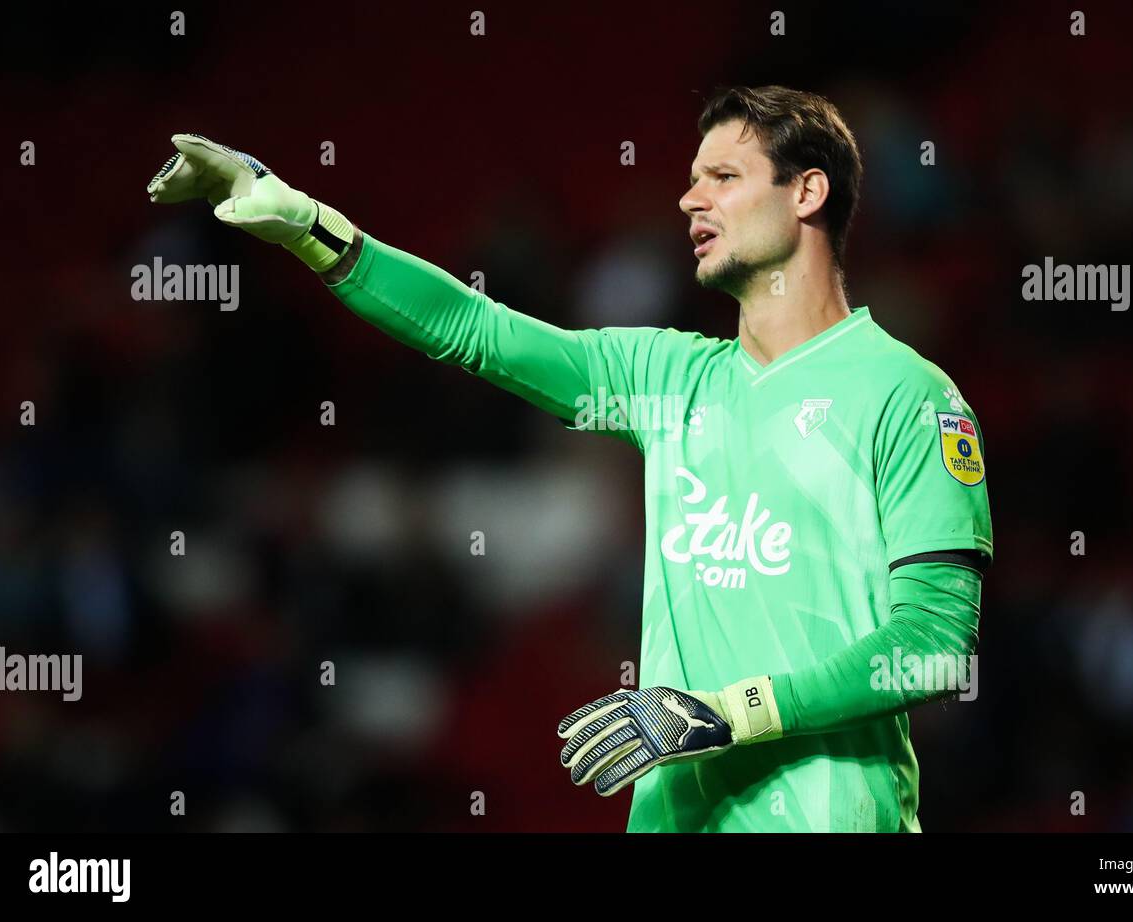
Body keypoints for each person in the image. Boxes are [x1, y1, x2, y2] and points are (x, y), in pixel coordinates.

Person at [146, 85, 992, 833]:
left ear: (809, 191)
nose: (690, 198)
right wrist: (305, 224)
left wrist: (725, 714)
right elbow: (475, 331)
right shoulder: (669, 379)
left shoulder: (907, 395)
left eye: (724, 177)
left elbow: (932, 648)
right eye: (694, 177)